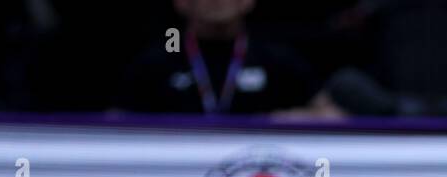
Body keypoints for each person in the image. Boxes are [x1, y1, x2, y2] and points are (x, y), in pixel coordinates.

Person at [118, 0, 317, 115]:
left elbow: (322, 114)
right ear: (181, 3)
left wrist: (300, 118)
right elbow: (117, 121)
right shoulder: (156, 62)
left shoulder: (279, 60)